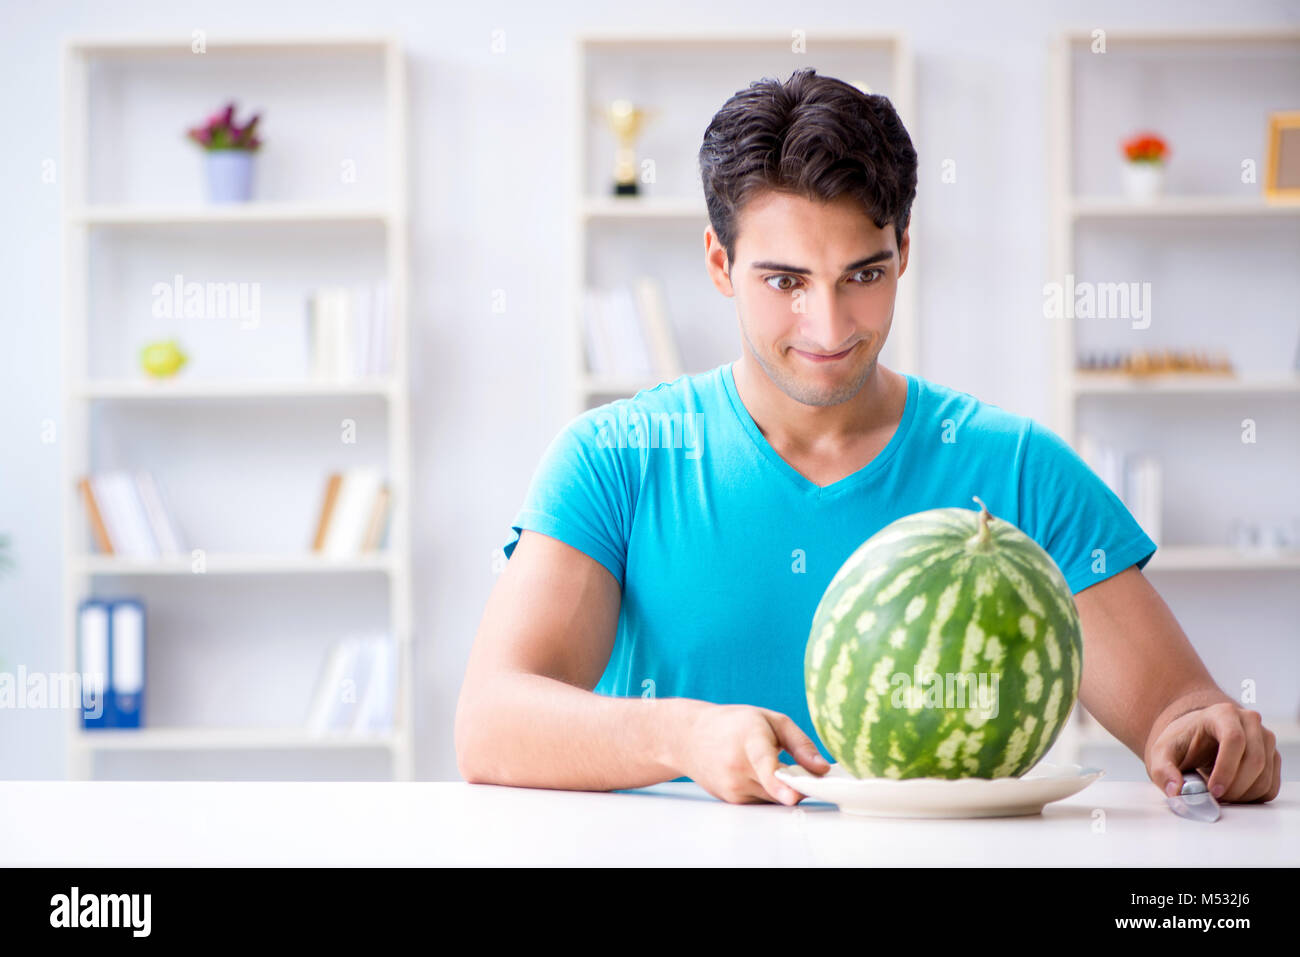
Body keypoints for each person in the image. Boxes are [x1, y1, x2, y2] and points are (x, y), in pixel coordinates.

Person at [455, 68, 1281, 806]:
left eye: (864, 275)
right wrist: (681, 735)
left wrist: (1214, 738)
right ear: (718, 263)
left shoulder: (1018, 469)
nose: (829, 324)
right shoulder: (615, 461)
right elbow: (491, 721)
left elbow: (1181, 713)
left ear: (904, 252)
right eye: (785, 280)